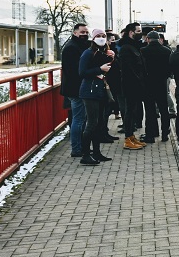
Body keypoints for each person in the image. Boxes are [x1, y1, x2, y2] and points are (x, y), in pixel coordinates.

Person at [77, 30, 116, 165]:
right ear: (93, 39)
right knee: (92, 123)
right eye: (98, 36)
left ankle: (97, 153)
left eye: (103, 36)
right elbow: (82, 72)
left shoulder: (102, 53)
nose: (101, 39)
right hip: (90, 91)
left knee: (99, 123)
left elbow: (107, 68)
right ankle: (86, 154)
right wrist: (100, 69)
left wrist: (111, 59)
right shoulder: (88, 53)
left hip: (99, 91)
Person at [59, 22, 88, 158]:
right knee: (78, 119)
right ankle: (76, 148)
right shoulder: (71, 48)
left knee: (80, 119)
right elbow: (73, 71)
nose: (85, 35)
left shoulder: (76, 46)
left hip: (76, 89)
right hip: (75, 90)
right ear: (75, 33)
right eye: (82, 32)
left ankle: (79, 146)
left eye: (86, 32)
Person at [117, 22, 147, 149]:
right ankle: (128, 139)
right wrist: (140, 82)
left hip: (135, 85)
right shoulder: (126, 48)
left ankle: (131, 137)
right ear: (131, 32)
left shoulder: (132, 46)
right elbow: (130, 69)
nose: (140, 33)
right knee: (129, 112)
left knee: (132, 111)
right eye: (138, 31)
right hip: (131, 85)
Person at [141, 30, 171, 143]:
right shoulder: (167, 51)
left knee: (150, 110)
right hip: (162, 84)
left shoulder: (143, 51)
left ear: (148, 39)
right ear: (159, 39)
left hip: (148, 84)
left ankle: (151, 135)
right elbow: (169, 69)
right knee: (164, 109)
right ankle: (164, 134)